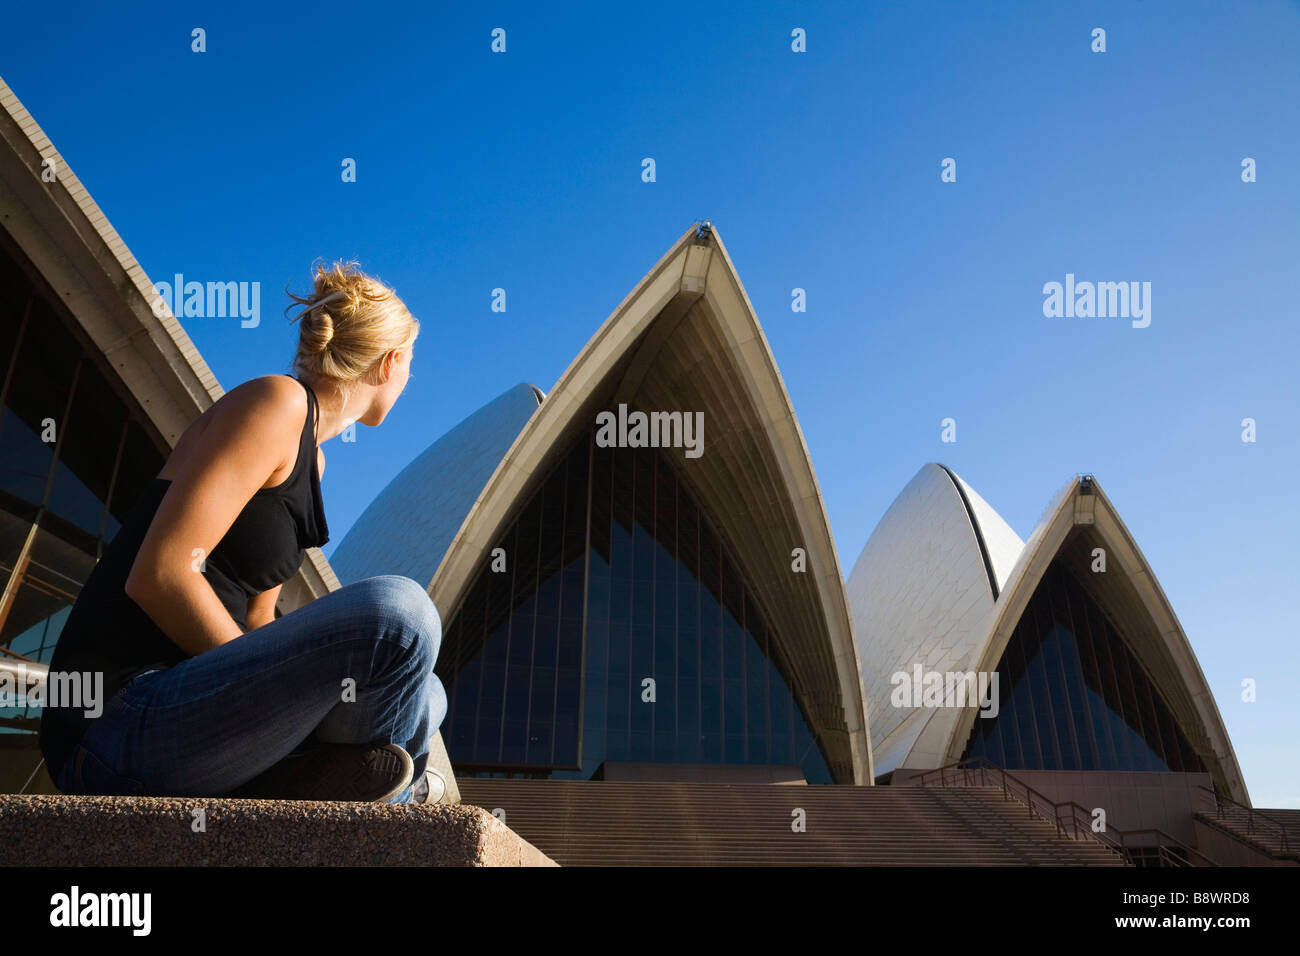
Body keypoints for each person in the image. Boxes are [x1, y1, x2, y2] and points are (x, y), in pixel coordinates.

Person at [37, 260, 447, 804]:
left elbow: (258, 620)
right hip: (123, 722)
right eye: (410, 365)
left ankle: (323, 789)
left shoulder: (314, 467)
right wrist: (258, 684)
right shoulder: (276, 403)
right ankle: (387, 804)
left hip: (209, 730)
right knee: (402, 612)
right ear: (391, 361)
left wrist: (274, 690)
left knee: (427, 692)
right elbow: (160, 575)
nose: (410, 379)